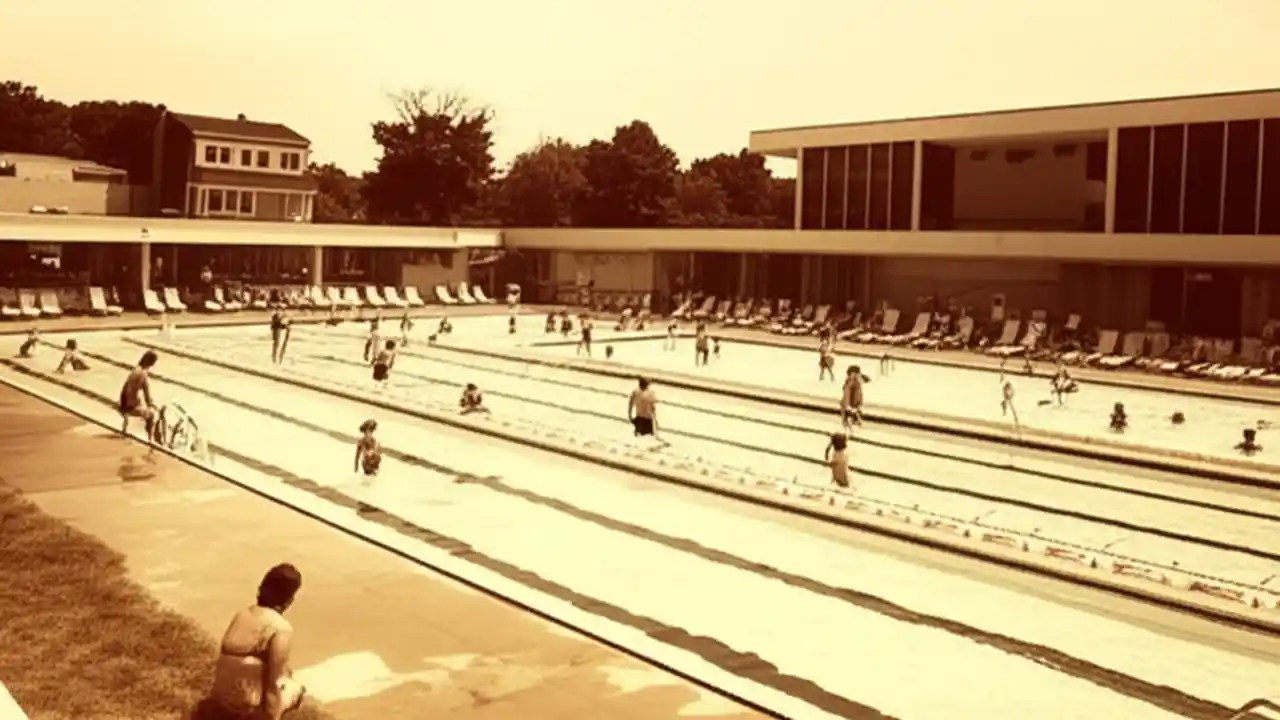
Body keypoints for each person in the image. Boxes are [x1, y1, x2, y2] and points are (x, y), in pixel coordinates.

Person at [207, 564, 306, 720]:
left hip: (219, 697)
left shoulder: (242, 615)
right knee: (295, 689)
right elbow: (276, 682)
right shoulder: (280, 628)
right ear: (289, 599)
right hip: (246, 706)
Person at [119, 350, 159, 445]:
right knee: (153, 415)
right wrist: (153, 406)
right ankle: (151, 439)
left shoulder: (135, 370)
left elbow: (125, 390)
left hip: (123, 404)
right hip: (130, 407)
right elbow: (148, 396)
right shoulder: (143, 374)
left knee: (145, 409)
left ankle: (125, 429)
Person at [842, 365, 870, 430]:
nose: (857, 375)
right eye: (856, 373)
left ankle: (852, 429)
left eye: (858, 373)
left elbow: (868, 380)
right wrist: (848, 406)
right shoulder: (850, 383)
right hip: (851, 405)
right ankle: (850, 430)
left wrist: (860, 404)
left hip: (856, 405)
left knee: (856, 420)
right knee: (850, 420)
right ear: (852, 374)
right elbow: (847, 394)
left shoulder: (857, 381)